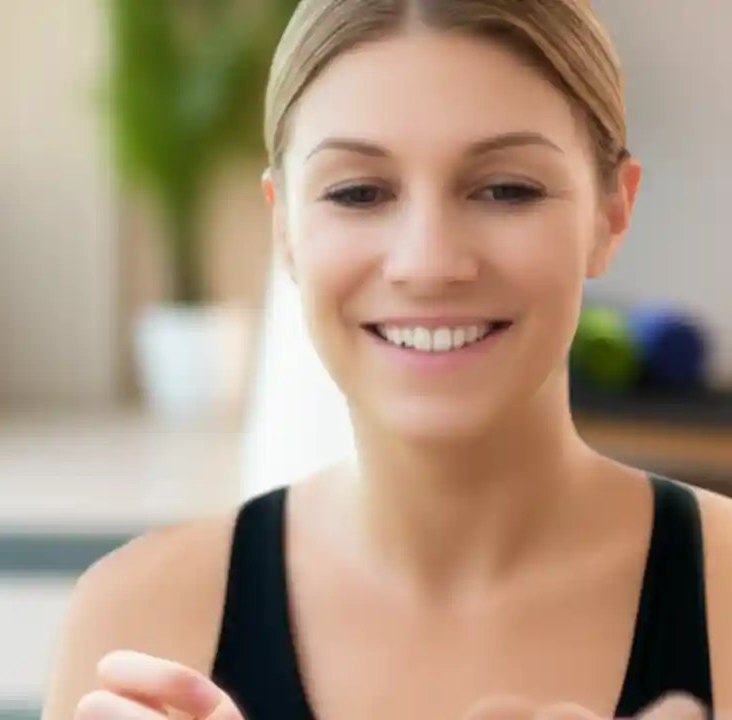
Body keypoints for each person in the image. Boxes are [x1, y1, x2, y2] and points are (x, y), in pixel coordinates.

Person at [41, 1, 731, 718]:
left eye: (506, 189)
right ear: (286, 229)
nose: (428, 263)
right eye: (359, 193)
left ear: (611, 212)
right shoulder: (137, 624)